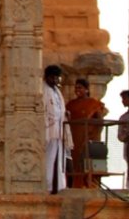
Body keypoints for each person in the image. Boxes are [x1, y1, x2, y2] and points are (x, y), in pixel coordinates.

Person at [66, 77, 108, 188]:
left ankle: (91, 185)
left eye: (80, 88)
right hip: (74, 139)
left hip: (88, 138)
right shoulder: (71, 104)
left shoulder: (93, 103)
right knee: (76, 162)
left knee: (89, 161)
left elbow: (100, 121)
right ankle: (77, 185)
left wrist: (94, 135)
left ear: (86, 89)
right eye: (76, 88)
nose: (77, 90)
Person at [42, 65, 72, 193]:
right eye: (52, 77)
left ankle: (58, 187)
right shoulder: (43, 90)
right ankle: (48, 187)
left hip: (58, 130)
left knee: (58, 160)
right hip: (48, 131)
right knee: (48, 160)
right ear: (47, 77)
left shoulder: (56, 91)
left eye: (57, 78)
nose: (55, 80)